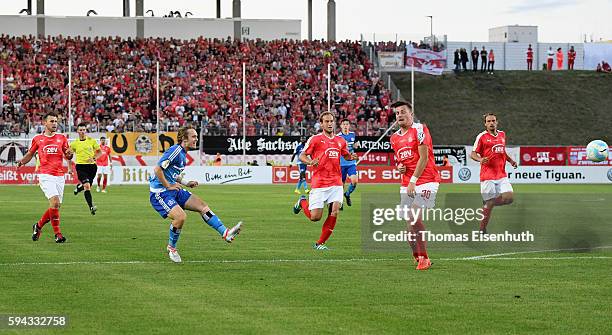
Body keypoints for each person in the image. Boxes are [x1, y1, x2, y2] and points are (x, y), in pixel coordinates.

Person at [149, 125, 242, 263]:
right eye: (193, 137)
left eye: (196, 137)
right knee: (180, 217)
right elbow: (158, 169)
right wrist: (168, 186)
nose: (196, 139)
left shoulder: (182, 154)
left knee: (203, 207)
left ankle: (225, 233)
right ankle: (172, 248)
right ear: (184, 139)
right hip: (161, 193)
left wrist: (186, 182)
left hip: (174, 190)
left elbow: (172, 173)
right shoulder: (175, 151)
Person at [293, 112, 358, 250]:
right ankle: (302, 202)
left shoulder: (340, 141)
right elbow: (302, 155)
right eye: (326, 121)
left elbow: (346, 155)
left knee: (334, 211)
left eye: (331, 121)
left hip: (336, 182)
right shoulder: (315, 139)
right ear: (321, 124)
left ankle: (320, 243)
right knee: (315, 217)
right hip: (319, 183)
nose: (329, 124)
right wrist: (311, 162)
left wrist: (352, 157)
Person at [389, 100, 441, 271]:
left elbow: (424, 158)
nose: (400, 115)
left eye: (403, 112)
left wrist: (413, 181)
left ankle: (424, 258)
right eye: (397, 113)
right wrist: (399, 167)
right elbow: (399, 160)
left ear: (411, 114)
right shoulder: (394, 138)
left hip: (426, 181)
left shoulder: (420, 129)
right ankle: (417, 256)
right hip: (406, 184)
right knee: (410, 228)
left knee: (413, 215)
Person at [17, 112, 73, 243]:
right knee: (54, 202)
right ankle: (58, 234)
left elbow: (68, 155)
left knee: (56, 206)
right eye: (52, 121)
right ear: (45, 123)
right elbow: (30, 153)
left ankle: (38, 226)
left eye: (56, 121)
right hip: (45, 175)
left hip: (59, 175)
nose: (55, 123)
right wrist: (21, 162)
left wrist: (70, 155)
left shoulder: (62, 138)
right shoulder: (38, 139)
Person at [470, 113, 518, 234]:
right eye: (489, 121)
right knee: (490, 204)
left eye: (493, 120)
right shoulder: (481, 137)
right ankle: (482, 229)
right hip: (487, 176)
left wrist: (511, 161)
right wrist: (480, 159)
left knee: (509, 198)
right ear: (485, 124)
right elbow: (473, 154)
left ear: (497, 122)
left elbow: (502, 151)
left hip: (501, 174)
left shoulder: (502, 134)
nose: (491, 123)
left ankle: (489, 202)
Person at [70, 123, 101, 215]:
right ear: (78, 131)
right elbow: (68, 154)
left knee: (87, 186)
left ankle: (79, 187)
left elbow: (99, 152)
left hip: (92, 167)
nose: (82, 132)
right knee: (87, 186)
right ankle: (91, 207)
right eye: (81, 130)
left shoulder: (91, 141)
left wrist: (94, 158)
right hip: (80, 166)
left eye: (84, 130)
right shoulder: (74, 143)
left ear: (85, 131)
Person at [338, 119, 358, 207]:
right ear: (341, 126)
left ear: (349, 126)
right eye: (344, 124)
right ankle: (340, 201)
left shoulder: (353, 135)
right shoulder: (338, 136)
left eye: (347, 124)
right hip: (341, 163)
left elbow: (355, 145)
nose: (345, 126)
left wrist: (355, 147)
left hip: (351, 163)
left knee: (354, 181)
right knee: (341, 184)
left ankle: (347, 194)